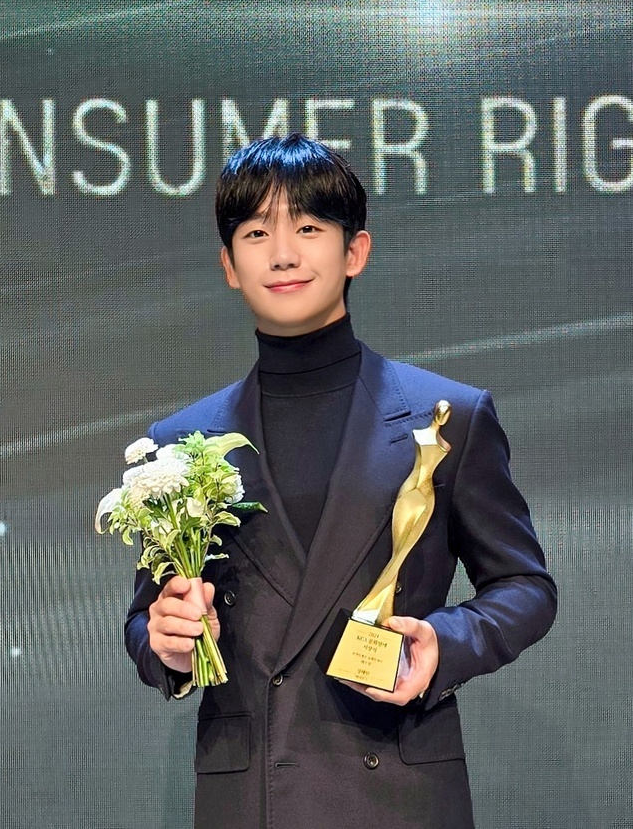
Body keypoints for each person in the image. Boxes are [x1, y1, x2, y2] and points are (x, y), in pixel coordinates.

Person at [125, 134, 557, 829]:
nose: (283, 254)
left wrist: (444, 643)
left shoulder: (448, 416)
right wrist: (167, 643)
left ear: (355, 251)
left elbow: (526, 587)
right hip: (251, 796)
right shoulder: (181, 443)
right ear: (229, 265)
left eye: (308, 228)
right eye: (256, 232)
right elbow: (148, 622)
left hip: (397, 789)